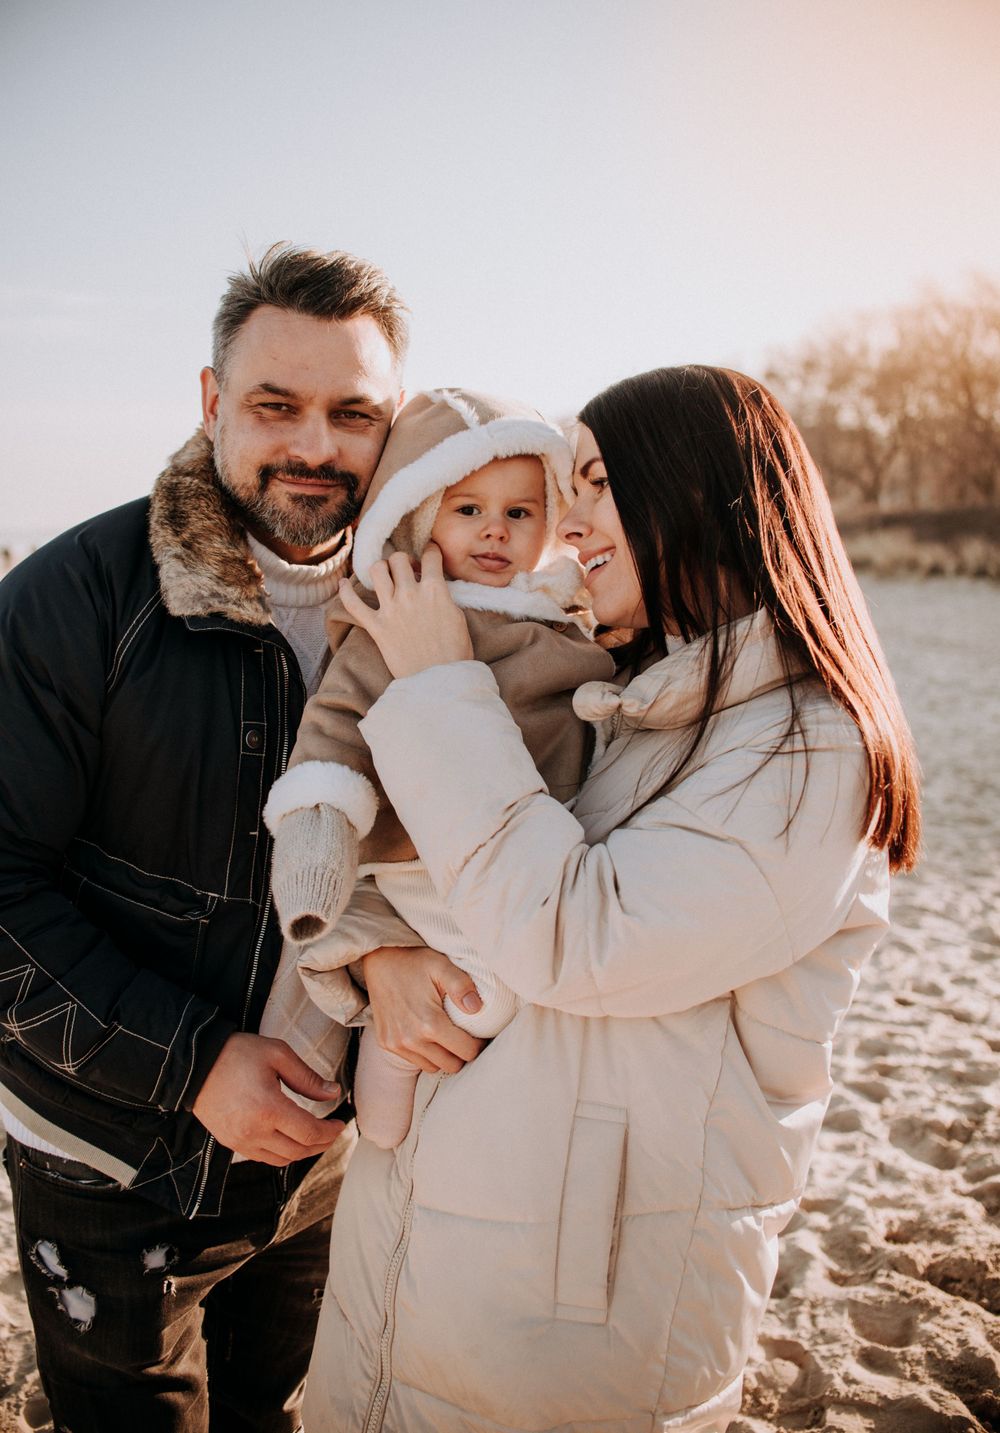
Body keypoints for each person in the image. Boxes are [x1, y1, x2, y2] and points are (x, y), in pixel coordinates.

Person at [296, 365, 921, 1433]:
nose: (566, 520)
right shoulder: (633, 698)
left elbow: (576, 937)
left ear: (693, 489)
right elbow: (460, 865)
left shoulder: (807, 749)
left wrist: (440, 680)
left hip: (570, 1322)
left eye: (594, 483)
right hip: (426, 1255)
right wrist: (377, 955)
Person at [0, 244, 483, 1433]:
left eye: (352, 413)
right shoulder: (74, 598)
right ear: (213, 400)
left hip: (324, 1157)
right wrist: (196, 1064)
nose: (314, 445)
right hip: (108, 1156)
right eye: (276, 405)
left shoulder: (437, 609)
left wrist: (384, 948)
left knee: (270, 1410)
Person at [260, 388, 614, 1149]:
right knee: (487, 993)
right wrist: (317, 833)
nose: (496, 529)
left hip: (531, 842)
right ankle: (385, 1079)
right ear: (418, 517)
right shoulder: (398, 614)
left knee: (517, 990)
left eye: (520, 512)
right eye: (468, 510)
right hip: (419, 852)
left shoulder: (560, 612)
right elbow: (334, 727)